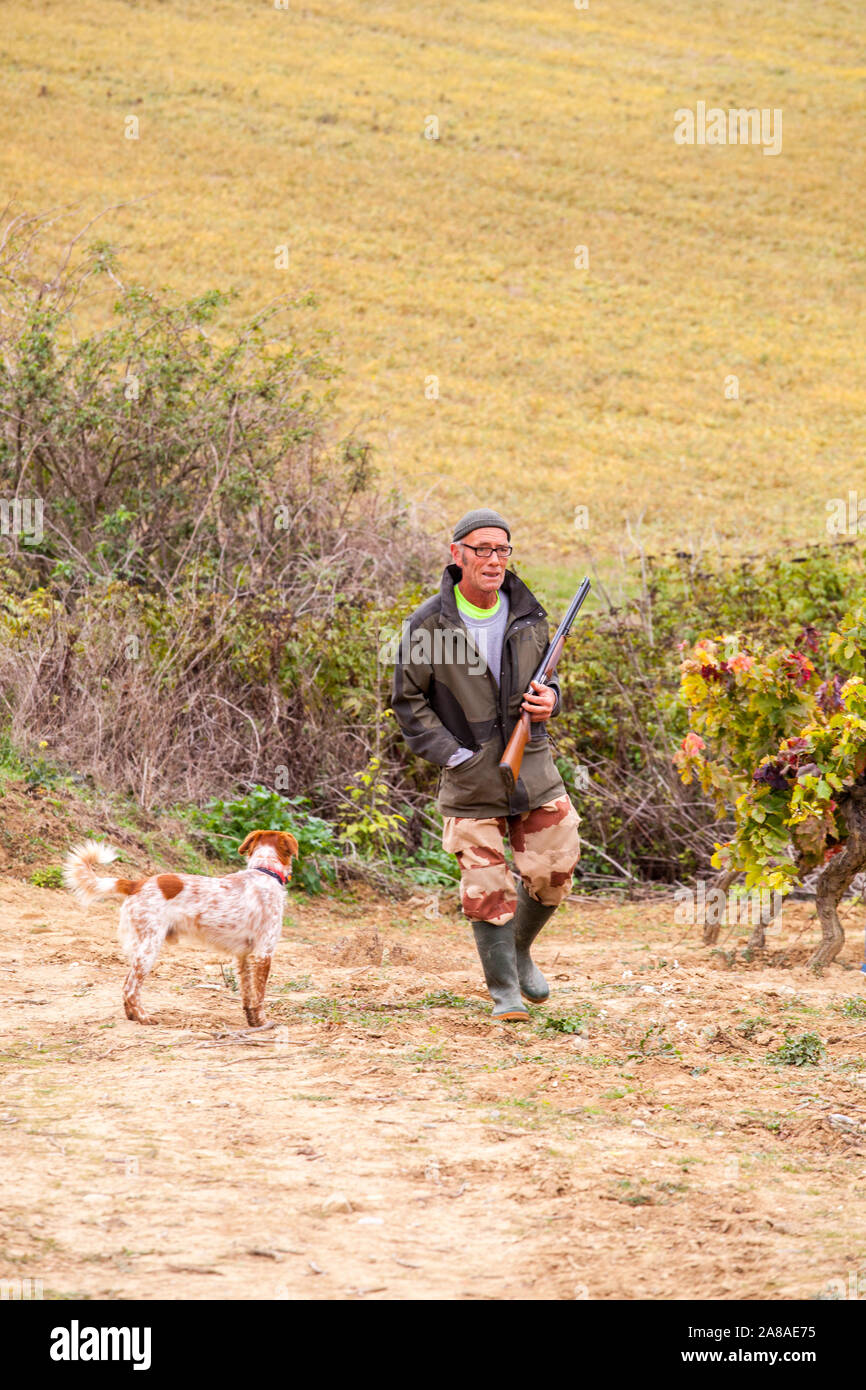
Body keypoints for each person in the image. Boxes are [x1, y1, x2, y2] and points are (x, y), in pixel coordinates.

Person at [390, 507, 581, 1020]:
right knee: (487, 886)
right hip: (470, 775)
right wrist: (455, 754)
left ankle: (518, 951)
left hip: (534, 768)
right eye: (482, 549)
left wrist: (552, 701)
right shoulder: (428, 624)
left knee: (555, 868)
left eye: (502, 549)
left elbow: (551, 682)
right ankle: (504, 993)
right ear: (457, 555)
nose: (494, 560)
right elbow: (409, 703)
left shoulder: (529, 615)